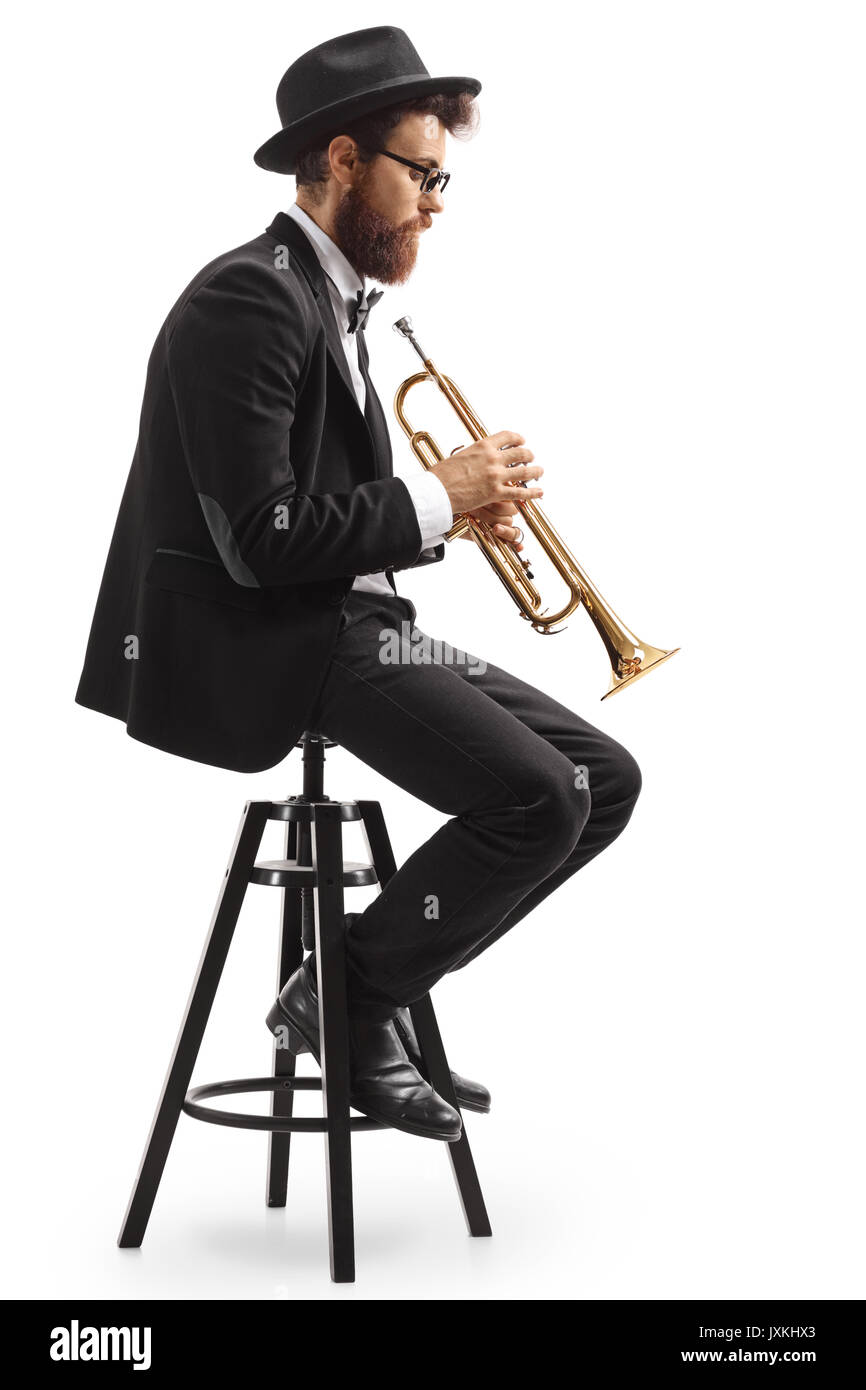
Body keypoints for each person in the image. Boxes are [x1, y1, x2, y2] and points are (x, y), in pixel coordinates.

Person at [76, 26, 642, 1144]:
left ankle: (351, 990)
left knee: (601, 778)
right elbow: (262, 539)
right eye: (421, 174)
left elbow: (329, 527)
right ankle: (349, 1002)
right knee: (535, 799)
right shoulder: (247, 299)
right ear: (342, 161)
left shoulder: (328, 301)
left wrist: (452, 515)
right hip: (277, 638)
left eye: (442, 177)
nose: (437, 202)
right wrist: (440, 492)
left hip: (361, 626)